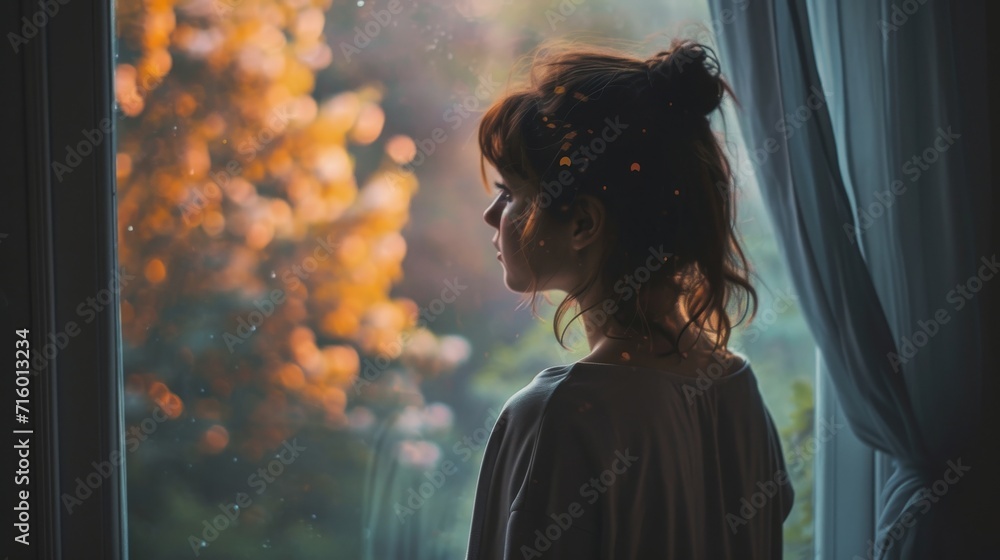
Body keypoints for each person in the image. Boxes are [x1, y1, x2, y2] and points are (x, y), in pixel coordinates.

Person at [465, 38, 794, 559]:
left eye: (509, 194)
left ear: (582, 223)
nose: (490, 215)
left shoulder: (560, 417)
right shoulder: (735, 388)